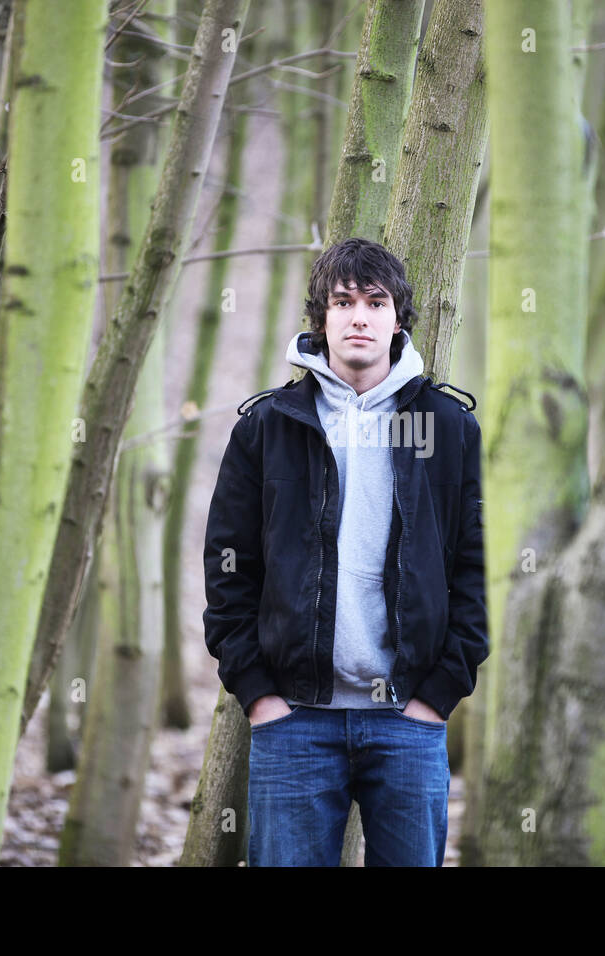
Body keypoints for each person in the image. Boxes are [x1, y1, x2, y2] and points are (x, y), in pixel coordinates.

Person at [202, 237, 488, 866]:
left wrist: (440, 692)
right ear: (322, 318)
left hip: (408, 719)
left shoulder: (447, 428)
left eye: (376, 301)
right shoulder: (267, 427)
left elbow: (478, 569)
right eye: (343, 301)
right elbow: (229, 566)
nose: (359, 315)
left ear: (397, 319)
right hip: (293, 720)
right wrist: (258, 694)